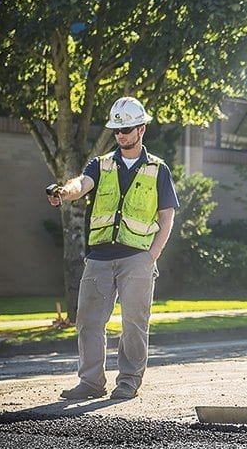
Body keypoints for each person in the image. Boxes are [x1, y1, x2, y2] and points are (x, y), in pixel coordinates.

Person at [46, 97, 179, 400]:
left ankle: (129, 381)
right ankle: (91, 382)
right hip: (100, 258)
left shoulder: (157, 169)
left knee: (134, 323)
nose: (120, 135)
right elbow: (82, 184)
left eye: (127, 129)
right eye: (117, 129)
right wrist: (65, 192)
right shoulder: (101, 164)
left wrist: (151, 256)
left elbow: (167, 216)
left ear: (141, 129)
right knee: (88, 320)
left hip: (137, 258)